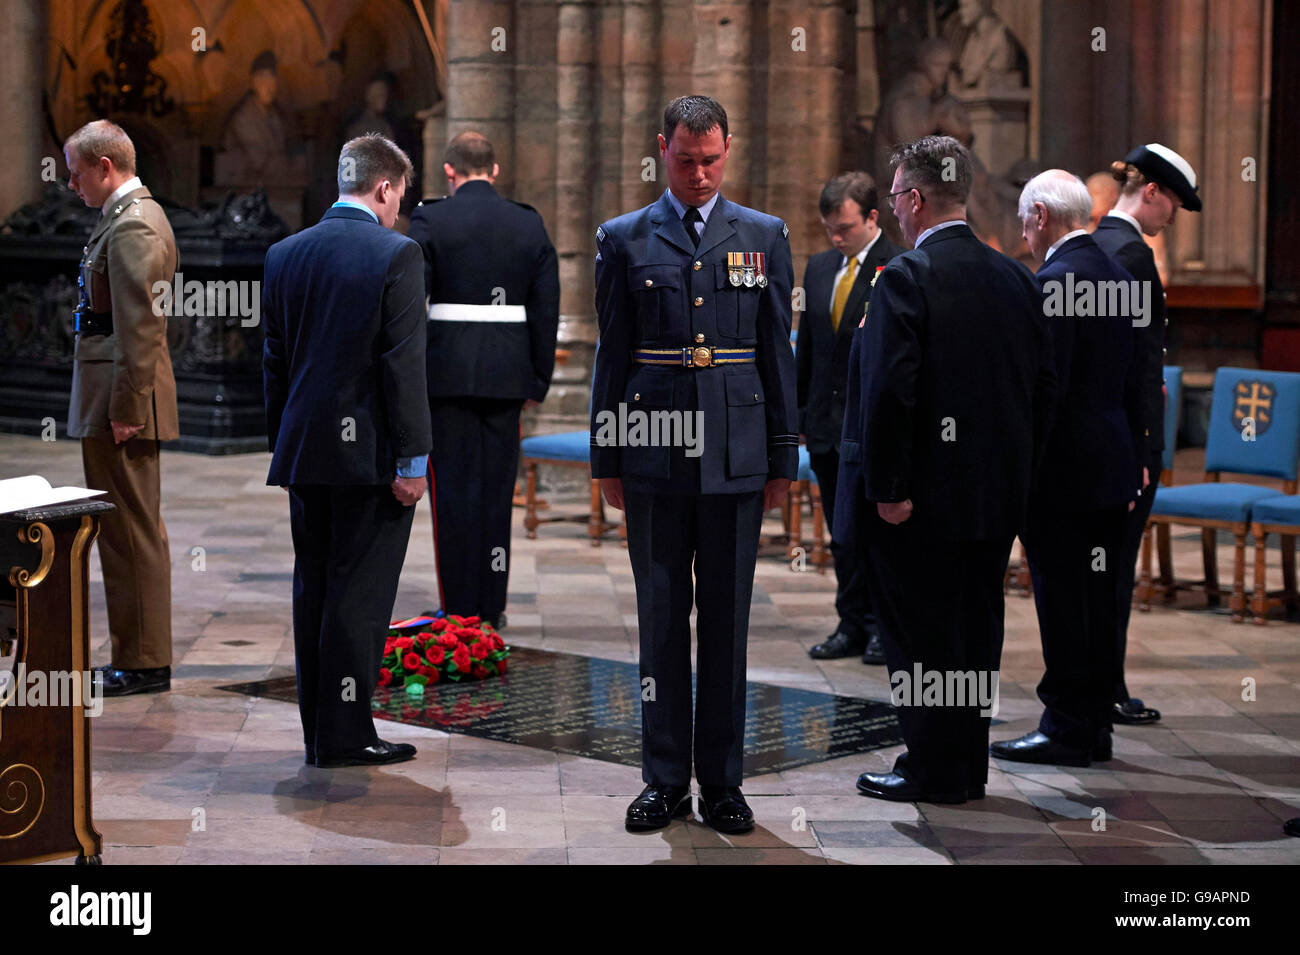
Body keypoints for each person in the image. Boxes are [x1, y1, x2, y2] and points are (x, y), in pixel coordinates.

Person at [591, 95, 798, 833]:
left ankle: (724, 783)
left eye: (711, 160)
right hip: (651, 451)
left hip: (738, 456)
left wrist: (784, 455)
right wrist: (605, 454)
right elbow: (611, 356)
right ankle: (664, 777)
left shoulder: (764, 235)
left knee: (727, 626)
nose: (700, 173)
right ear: (662, 150)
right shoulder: (623, 237)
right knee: (659, 622)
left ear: (728, 150)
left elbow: (777, 354)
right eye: (686, 160)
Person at [840, 135, 1055, 804]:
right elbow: (1044, 390)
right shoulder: (1015, 276)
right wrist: (1020, 480)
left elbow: (890, 393)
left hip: (921, 504)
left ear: (910, 198)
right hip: (993, 502)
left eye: (898, 197)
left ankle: (934, 769)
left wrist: (889, 489)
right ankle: (965, 765)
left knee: (922, 640)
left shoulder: (906, 277)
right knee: (974, 632)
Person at [262, 134, 431, 767]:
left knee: (315, 590)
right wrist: (413, 462)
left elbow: (274, 362)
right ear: (385, 187)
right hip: (371, 460)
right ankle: (347, 735)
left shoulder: (284, 252)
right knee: (359, 599)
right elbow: (403, 367)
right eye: (398, 198)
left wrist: (286, 442)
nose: (397, 210)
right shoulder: (397, 253)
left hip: (306, 452)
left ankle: (320, 732)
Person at [991, 170, 1143, 768]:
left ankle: (1067, 727)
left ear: (1042, 217)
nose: (1023, 232)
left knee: (1062, 601)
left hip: (1062, 475)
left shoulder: (1053, 282)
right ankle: (1094, 723)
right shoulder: (1118, 275)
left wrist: (1021, 467)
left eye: (1025, 220)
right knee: (1098, 600)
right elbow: (1136, 382)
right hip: (1111, 467)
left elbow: (1043, 391)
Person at [406, 132, 559, 630]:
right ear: (494, 171)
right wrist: (538, 379)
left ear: (449, 172)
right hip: (506, 376)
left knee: (452, 494)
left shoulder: (431, 217)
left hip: (445, 376)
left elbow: (409, 304)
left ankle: (459, 606)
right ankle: (491, 605)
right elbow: (545, 307)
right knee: (496, 495)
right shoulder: (527, 222)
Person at [64, 120, 178, 697]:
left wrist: (129, 405)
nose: (70, 182)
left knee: (130, 530)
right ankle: (139, 655)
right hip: (112, 393)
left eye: (77, 172)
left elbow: (141, 325)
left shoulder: (134, 225)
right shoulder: (125, 217)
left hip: (121, 399)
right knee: (126, 528)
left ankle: (143, 661)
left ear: (105, 167)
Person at [1093, 143, 1201, 727]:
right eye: (1174, 206)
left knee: (1099, 571)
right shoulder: (1131, 255)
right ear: (1152, 192)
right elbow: (1137, 365)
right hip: (1127, 445)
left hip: (1100, 441)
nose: (1173, 220)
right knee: (1112, 571)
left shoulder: (1094, 246)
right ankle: (1107, 688)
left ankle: (1101, 685)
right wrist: (1139, 448)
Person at [797, 172, 902, 665]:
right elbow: (810, 350)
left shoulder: (899, 266)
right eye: (830, 229)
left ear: (872, 218)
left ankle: (884, 627)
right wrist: (798, 414)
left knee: (879, 536)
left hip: (869, 428)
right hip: (824, 426)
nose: (837, 238)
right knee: (842, 536)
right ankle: (850, 622)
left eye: (845, 227)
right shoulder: (820, 269)